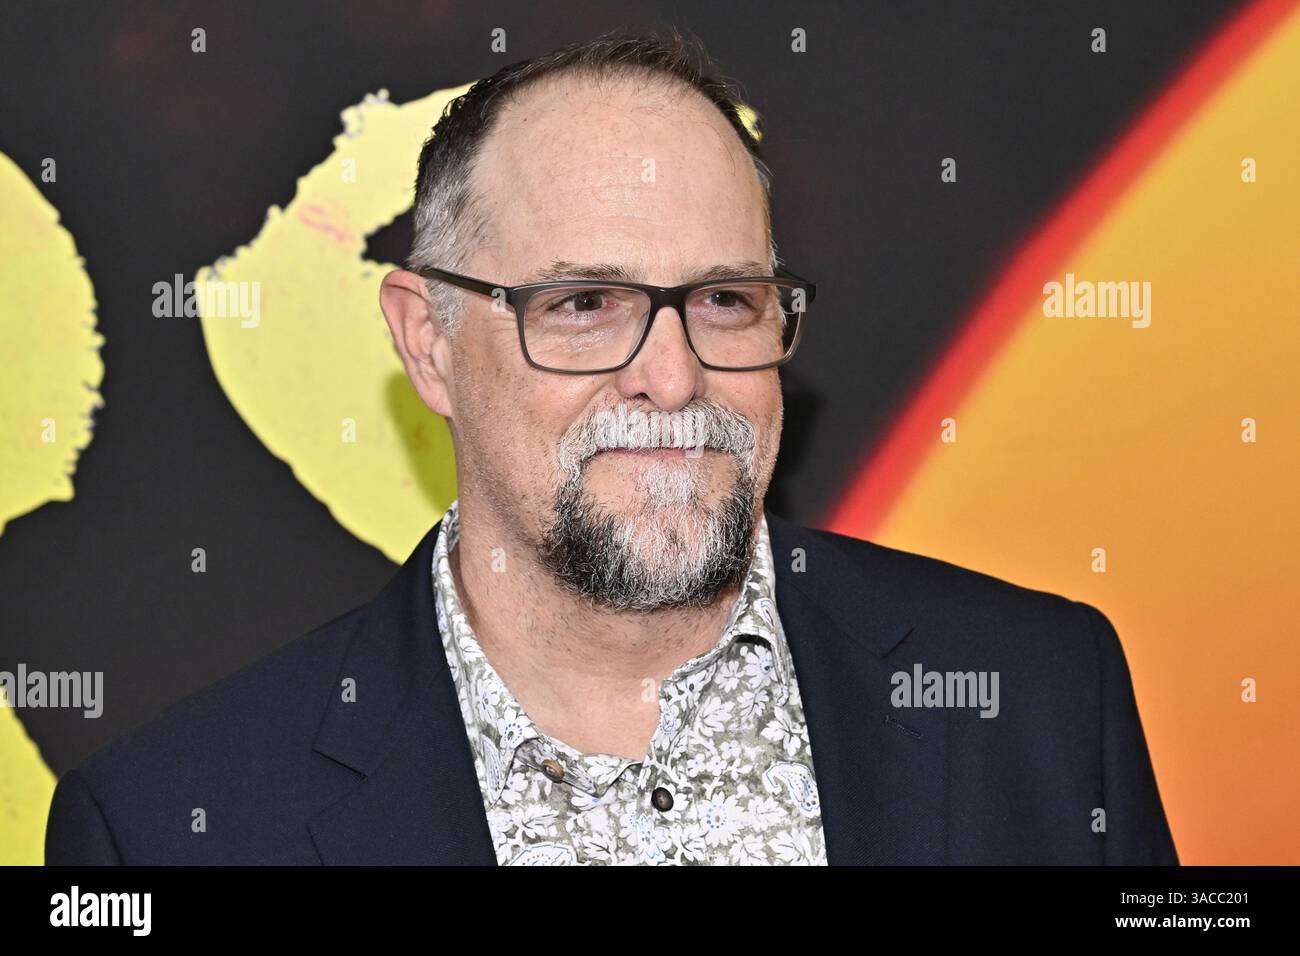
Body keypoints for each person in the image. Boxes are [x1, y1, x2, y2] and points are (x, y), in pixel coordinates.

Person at [44, 29, 1177, 866]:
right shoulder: (169, 829)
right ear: (428, 342)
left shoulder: (1038, 697)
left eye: (725, 299)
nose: (671, 376)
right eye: (583, 304)